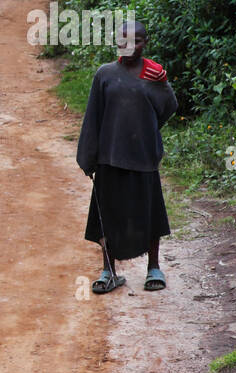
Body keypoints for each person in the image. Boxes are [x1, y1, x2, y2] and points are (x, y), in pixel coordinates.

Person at [76, 20, 178, 293]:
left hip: (143, 157)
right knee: (106, 213)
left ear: (146, 43)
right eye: (122, 39)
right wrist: (88, 155)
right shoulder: (105, 74)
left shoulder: (153, 75)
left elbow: (168, 108)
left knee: (150, 212)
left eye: (135, 40)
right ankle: (109, 270)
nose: (128, 45)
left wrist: (163, 86)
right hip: (109, 156)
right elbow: (93, 117)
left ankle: (153, 267)